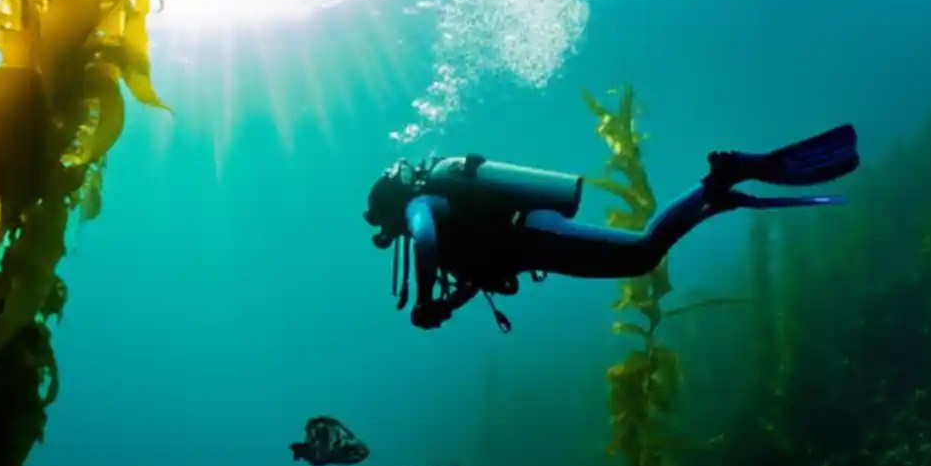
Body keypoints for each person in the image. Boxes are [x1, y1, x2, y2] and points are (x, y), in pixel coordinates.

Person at [362, 124, 860, 331]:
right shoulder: (433, 206)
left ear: (390, 207)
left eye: (386, 222)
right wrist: (447, 303)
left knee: (642, 253)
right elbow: (475, 267)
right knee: (641, 257)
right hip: (533, 241)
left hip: (535, 235)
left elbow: (425, 237)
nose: (391, 233)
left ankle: (721, 179)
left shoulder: (419, 207)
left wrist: (426, 299)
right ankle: (715, 194)